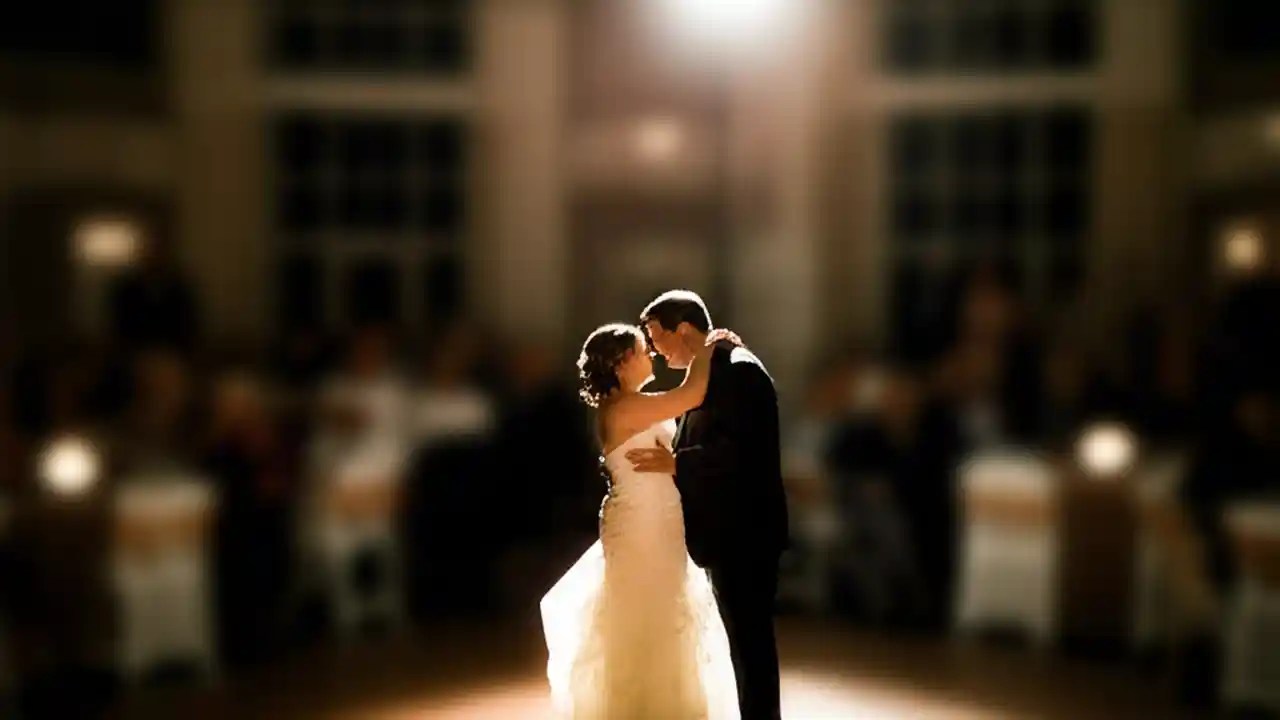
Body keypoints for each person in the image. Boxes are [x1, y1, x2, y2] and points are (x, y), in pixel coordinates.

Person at [540, 320, 740, 720]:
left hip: (658, 519)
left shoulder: (634, 402)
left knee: (665, 611)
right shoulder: (623, 408)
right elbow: (691, 394)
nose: (649, 353)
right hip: (640, 523)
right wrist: (706, 347)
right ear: (620, 362)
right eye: (641, 348)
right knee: (646, 613)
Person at [628, 290, 789, 720]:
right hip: (728, 534)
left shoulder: (737, 372)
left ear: (683, 329)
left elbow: (740, 452)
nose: (657, 352)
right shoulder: (710, 372)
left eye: (658, 338)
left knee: (751, 644)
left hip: (745, 534)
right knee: (743, 644)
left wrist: (674, 463)